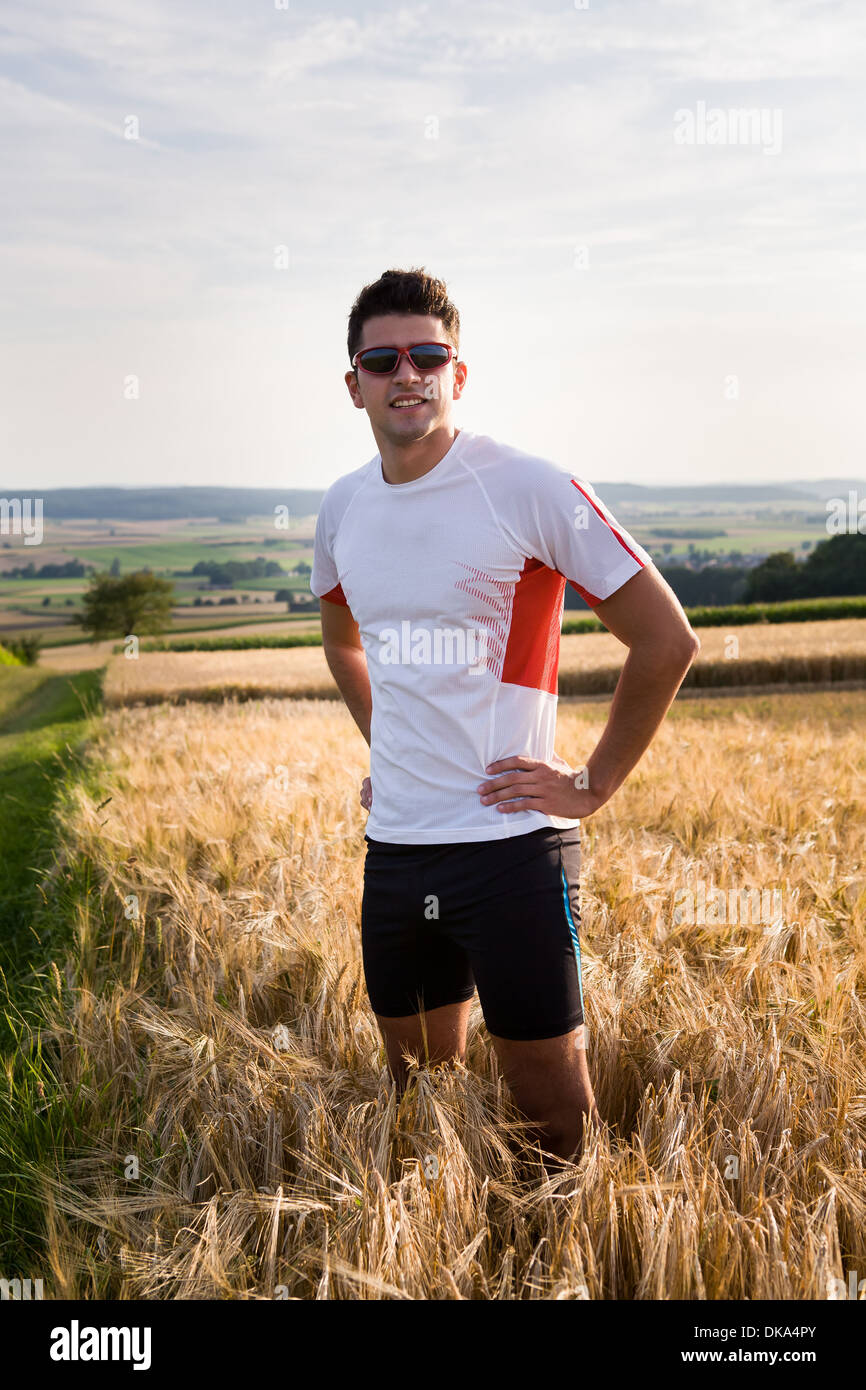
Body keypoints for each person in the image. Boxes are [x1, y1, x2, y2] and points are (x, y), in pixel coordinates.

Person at [310, 267, 700, 1166]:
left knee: (554, 1122)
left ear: (458, 372)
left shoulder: (525, 487)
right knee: (419, 1110)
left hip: (512, 850)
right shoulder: (342, 507)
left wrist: (593, 783)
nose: (406, 374)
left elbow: (667, 641)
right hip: (398, 852)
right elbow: (343, 642)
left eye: (428, 356)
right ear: (354, 382)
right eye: (383, 359)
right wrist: (391, 747)